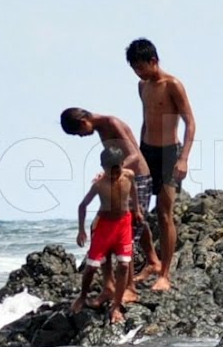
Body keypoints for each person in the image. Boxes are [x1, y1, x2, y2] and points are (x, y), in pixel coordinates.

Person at [59, 107, 161, 280]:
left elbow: (134, 155)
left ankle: (129, 286)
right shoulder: (101, 127)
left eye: (79, 133)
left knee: (129, 225)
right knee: (131, 221)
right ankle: (152, 262)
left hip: (138, 178)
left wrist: (110, 172)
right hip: (121, 177)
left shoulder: (111, 123)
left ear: (84, 122)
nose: (81, 137)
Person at [127, 38, 195, 291]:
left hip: (169, 154)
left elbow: (190, 122)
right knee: (137, 211)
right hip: (146, 152)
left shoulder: (172, 85)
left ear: (153, 61)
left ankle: (164, 274)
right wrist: (137, 153)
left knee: (165, 214)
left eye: (141, 67)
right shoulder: (141, 86)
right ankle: (152, 262)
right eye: (134, 69)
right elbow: (146, 119)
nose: (138, 73)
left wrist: (184, 158)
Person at [72, 145, 142, 325]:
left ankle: (116, 306)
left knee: (125, 265)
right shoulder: (99, 184)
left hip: (123, 224)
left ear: (121, 164)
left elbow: (133, 190)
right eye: (109, 171)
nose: (113, 174)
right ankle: (82, 296)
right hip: (104, 227)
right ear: (102, 168)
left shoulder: (129, 175)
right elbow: (82, 206)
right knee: (92, 267)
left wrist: (138, 210)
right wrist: (81, 230)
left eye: (116, 169)